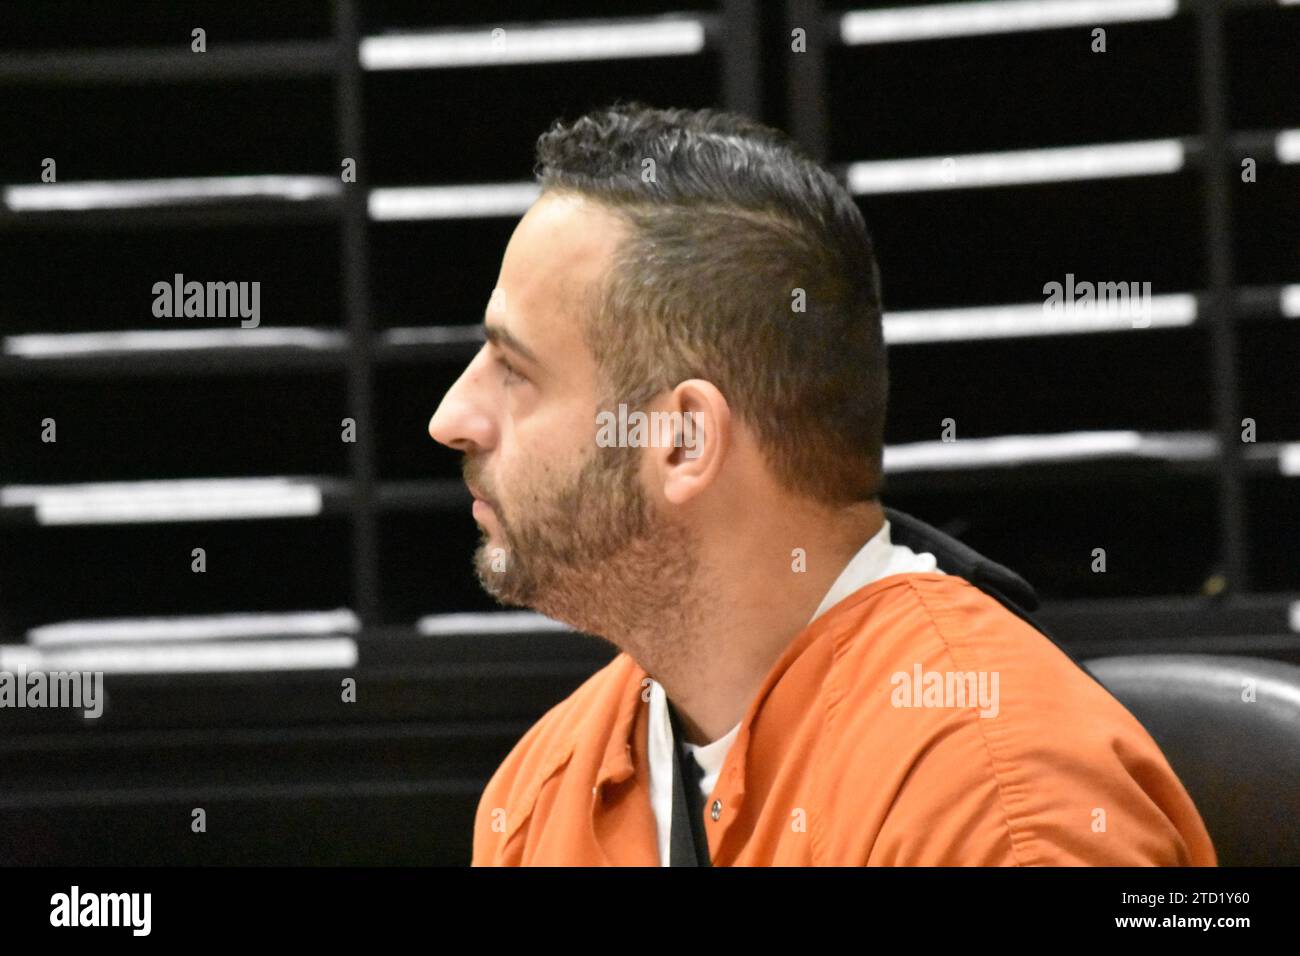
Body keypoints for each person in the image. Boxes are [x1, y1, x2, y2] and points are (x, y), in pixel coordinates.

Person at [427, 102, 1217, 866]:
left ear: (683, 440)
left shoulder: (1001, 809)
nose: (451, 415)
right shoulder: (542, 792)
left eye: (514, 370)